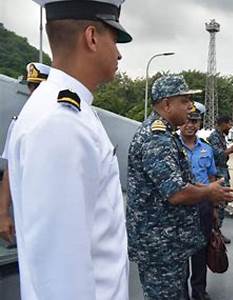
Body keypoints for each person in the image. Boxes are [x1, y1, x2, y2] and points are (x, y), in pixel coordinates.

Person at [6, 1, 132, 298]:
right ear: (91, 37)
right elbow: (61, 270)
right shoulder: (60, 122)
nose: (119, 53)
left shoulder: (66, 111)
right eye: (114, 40)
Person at [127, 74, 233, 299]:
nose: (190, 107)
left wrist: (207, 189)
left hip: (168, 242)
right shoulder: (156, 139)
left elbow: (178, 180)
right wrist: (209, 191)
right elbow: (176, 193)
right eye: (184, 101)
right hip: (161, 246)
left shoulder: (165, 135)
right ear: (167, 104)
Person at [0, 62, 50, 245]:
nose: (33, 91)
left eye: (38, 86)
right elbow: (10, 169)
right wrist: (3, 212)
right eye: (31, 86)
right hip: (29, 214)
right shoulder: (20, 124)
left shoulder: (65, 121)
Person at [180, 102, 218, 300]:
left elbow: (212, 179)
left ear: (200, 123)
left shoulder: (207, 149)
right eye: (187, 120)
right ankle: (181, 292)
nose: (190, 125)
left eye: (194, 121)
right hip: (181, 206)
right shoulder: (172, 147)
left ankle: (199, 290)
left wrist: (213, 209)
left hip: (202, 205)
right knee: (181, 251)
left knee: (201, 249)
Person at [207, 115, 233, 244]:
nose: (231, 127)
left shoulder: (221, 136)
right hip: (217, 173)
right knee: (219, 203)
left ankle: (217, 231)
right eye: (229, 124)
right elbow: (218, 156)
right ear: (222, 124)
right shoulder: (214, 137)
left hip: (223, 171)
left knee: (223, 203)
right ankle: (215, 233)